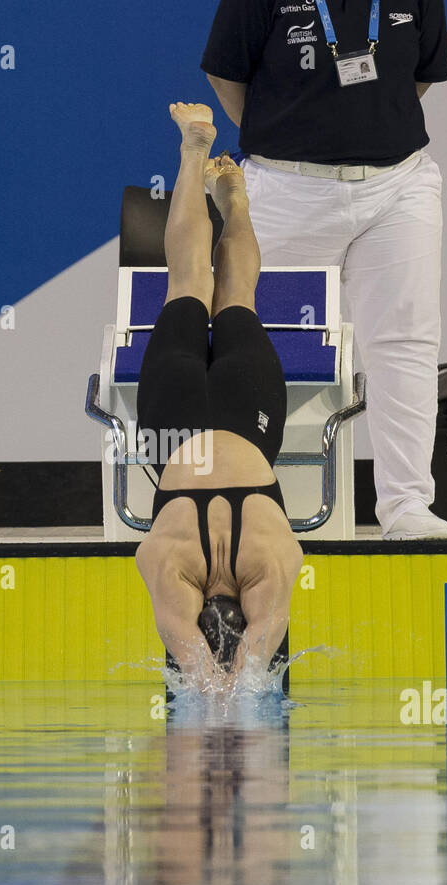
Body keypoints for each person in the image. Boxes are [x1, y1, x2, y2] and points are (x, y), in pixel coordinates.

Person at [202, 0, 447, 539]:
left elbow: (418, 78)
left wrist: (363, 136)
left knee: (405, 342)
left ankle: (407, 505)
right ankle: (254, 502)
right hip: (283, 188)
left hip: (398, 185)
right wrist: (289, 130)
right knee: (259, 345)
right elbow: (225, 75)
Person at [134, 102, 303, 690]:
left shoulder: (275, 562)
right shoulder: (164, 564)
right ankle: (192, 152)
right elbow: (207, 661)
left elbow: (248, 654)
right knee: (187, 282)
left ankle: (231, 198)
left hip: (245, 420)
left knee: (235, 295)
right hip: (175, 424)